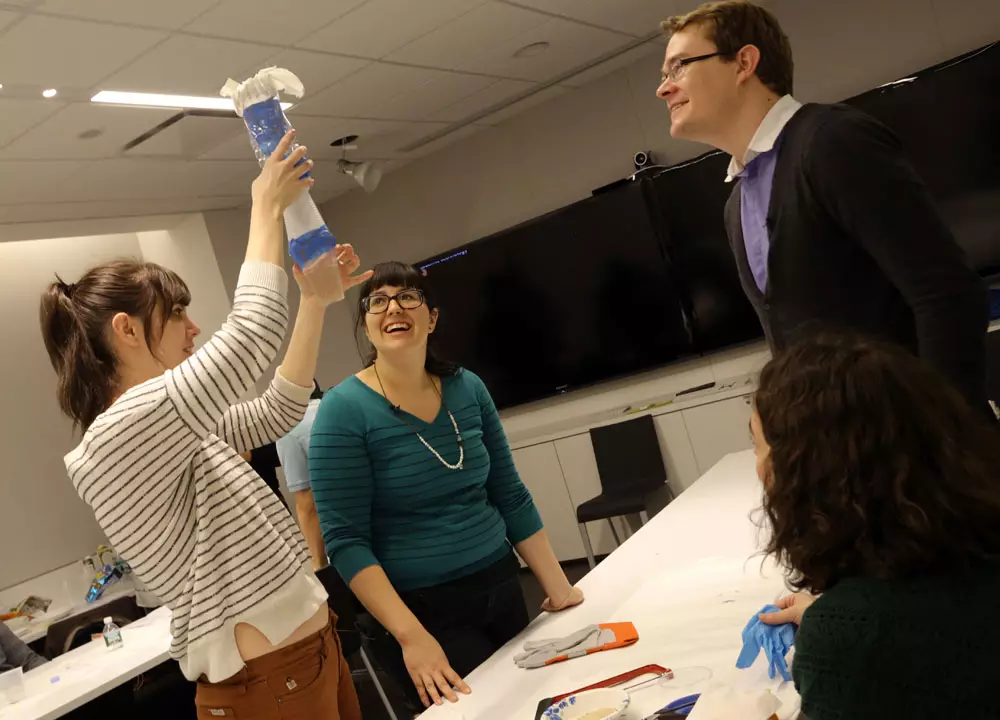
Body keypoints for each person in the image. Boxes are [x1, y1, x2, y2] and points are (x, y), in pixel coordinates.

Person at [39, 131, 372, 720]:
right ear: (127, 329)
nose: (193, 329)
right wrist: (264, 208)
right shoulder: (119, 436)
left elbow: (276, 411)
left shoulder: (175, 427)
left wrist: (315, 304)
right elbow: (250, 337)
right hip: (268, 681)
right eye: (178, 314)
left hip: (304, 658)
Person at [657, 1, 989, 411]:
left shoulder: (832, 142)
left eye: (679, 66)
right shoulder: (736, 203)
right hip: (841, 458)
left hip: (914, 448)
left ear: (744, 63)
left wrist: (944, 436)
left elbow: (946, 295)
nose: (664, 87)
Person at [309, 261, 584, 711]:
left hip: (501, 584)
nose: (392, 307)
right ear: (366, 324)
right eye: (377, 301)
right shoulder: (342, 411)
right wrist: (412, 637)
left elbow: (508, 492)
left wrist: (558, 588)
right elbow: (346, 542)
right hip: (423, 613)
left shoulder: (466, 387)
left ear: (431, 317)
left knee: (543, 702)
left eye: (407, 297)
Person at [748, 334, 1000, 719]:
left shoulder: (845, 645)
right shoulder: (973, 547)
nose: (757, 465)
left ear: (800, 472)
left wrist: (839, 627)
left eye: (757, 446)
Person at [276, 380, 327, 570]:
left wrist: (318, 562)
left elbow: (306, 501)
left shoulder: (288, 427)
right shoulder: (340, 406)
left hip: (348, 527)